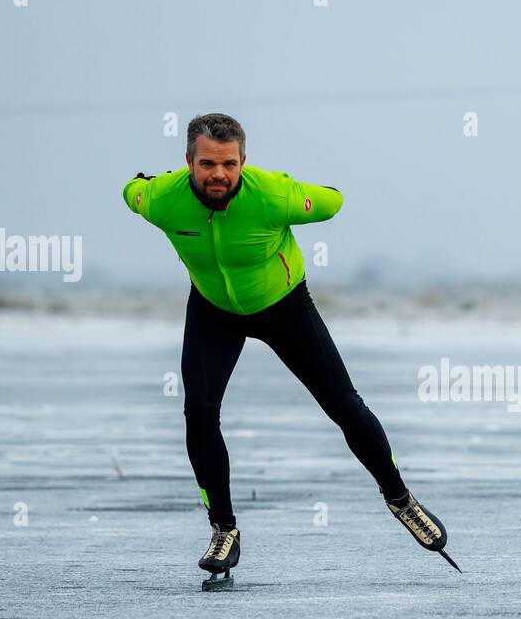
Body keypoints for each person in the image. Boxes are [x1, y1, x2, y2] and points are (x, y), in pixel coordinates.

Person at [122, 113, 456, 579]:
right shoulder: (162, 199)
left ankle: (400, 499)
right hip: (213, 310)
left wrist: (304, 191)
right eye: (207, 164)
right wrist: (143, 183)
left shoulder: (273, 195)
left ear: (243, 161)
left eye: (229, 164)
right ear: (188, 162)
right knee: (199, 410)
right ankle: (223, 529)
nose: (218, 174)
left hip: (284, 306)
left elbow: (334, 202)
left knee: (343, 405)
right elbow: (132, 192)